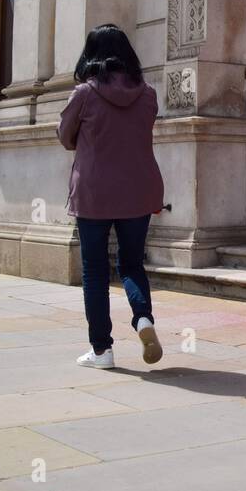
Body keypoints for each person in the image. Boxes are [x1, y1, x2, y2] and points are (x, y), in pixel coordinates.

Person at [59, 23, 165, 369]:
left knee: (94, 270)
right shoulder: (148, 94)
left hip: (94, 192)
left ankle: (102, 350)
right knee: (132, 263)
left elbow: (65, 136)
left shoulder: (84, 93)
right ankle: (143, 318)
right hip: (139, 189)